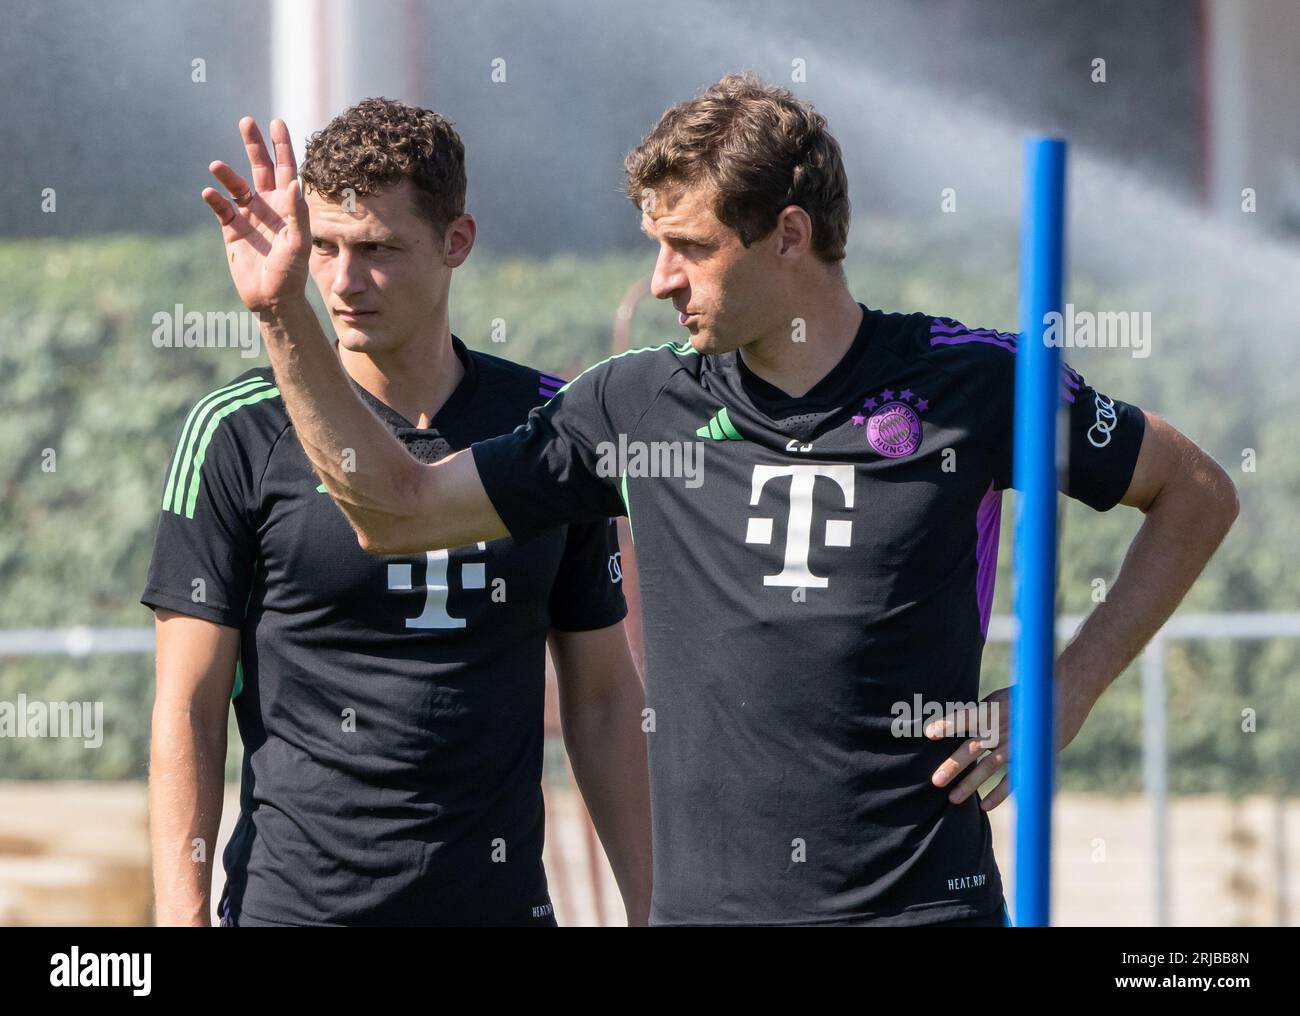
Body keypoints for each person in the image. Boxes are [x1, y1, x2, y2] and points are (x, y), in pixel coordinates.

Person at [201, 76, 1238, 926]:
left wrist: (1060, 695)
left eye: (688, 247)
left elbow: (1192, 491)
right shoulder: (631, 404)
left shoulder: (975, 383)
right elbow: (398, 509)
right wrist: (283, 314)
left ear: (787, 234)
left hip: (925, 909)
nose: (660, 280)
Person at [145, 98, 651, 927]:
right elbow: (187, 707)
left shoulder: (550, 428)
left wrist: (652, 911)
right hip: (295, 913)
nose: (345, 282)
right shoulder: (236, 432)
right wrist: (181, 920)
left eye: (379, 249)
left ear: (456, 243)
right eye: (327, 248)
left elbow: (600, 697)